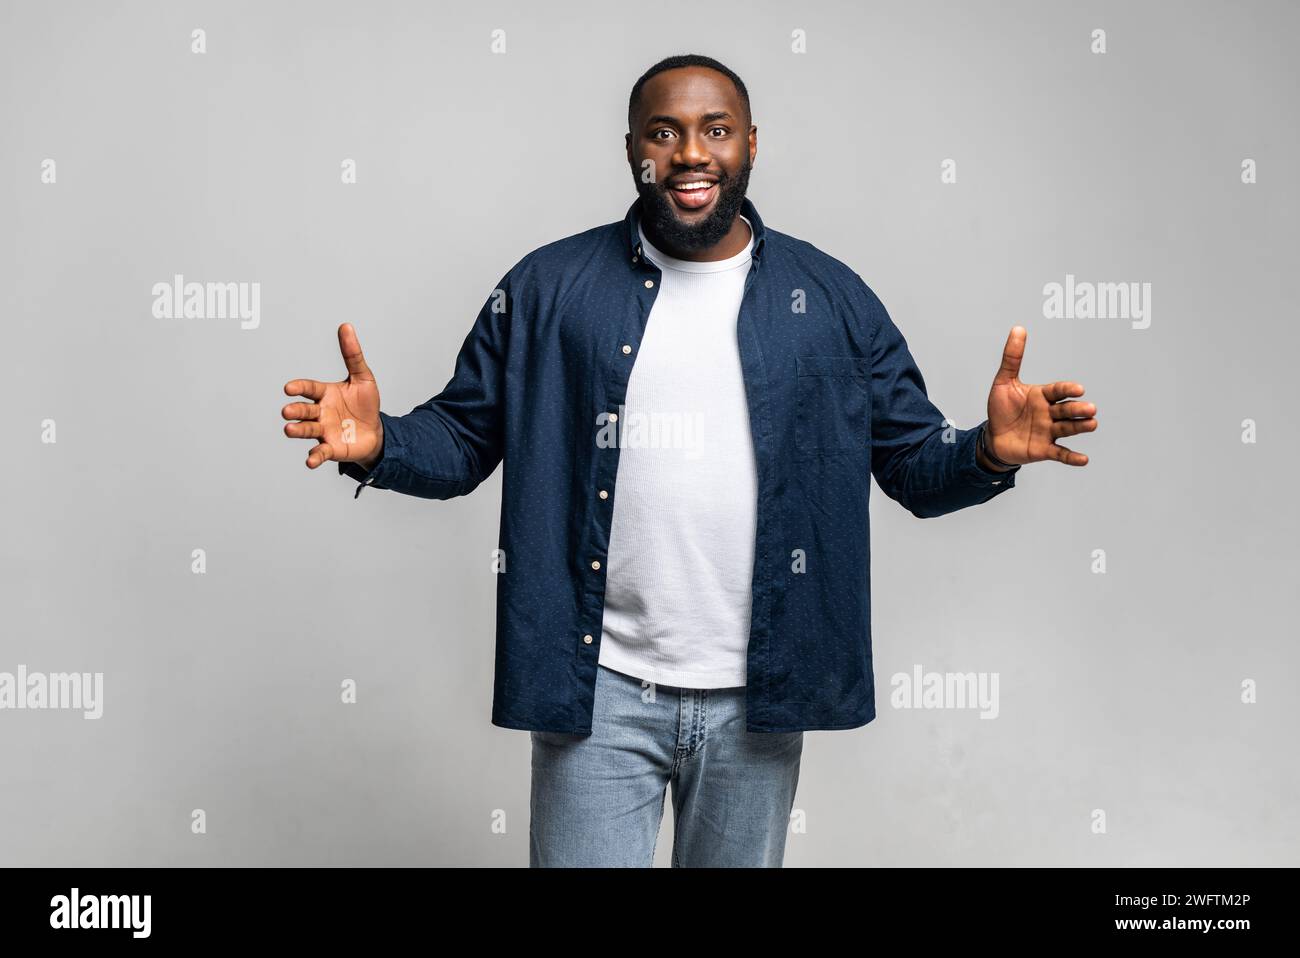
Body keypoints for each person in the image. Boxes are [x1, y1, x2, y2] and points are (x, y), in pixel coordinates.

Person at [280, 53, 1098, 867]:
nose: (691, 153)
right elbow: (460, 441)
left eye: (715, 130)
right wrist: (381, 441)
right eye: (664, 132)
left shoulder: (831, 300)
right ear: (632, 147)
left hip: (759, 696)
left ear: (751, 143)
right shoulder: (546, 289)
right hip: (596, 693)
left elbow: (915, 465)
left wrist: (987, 453)